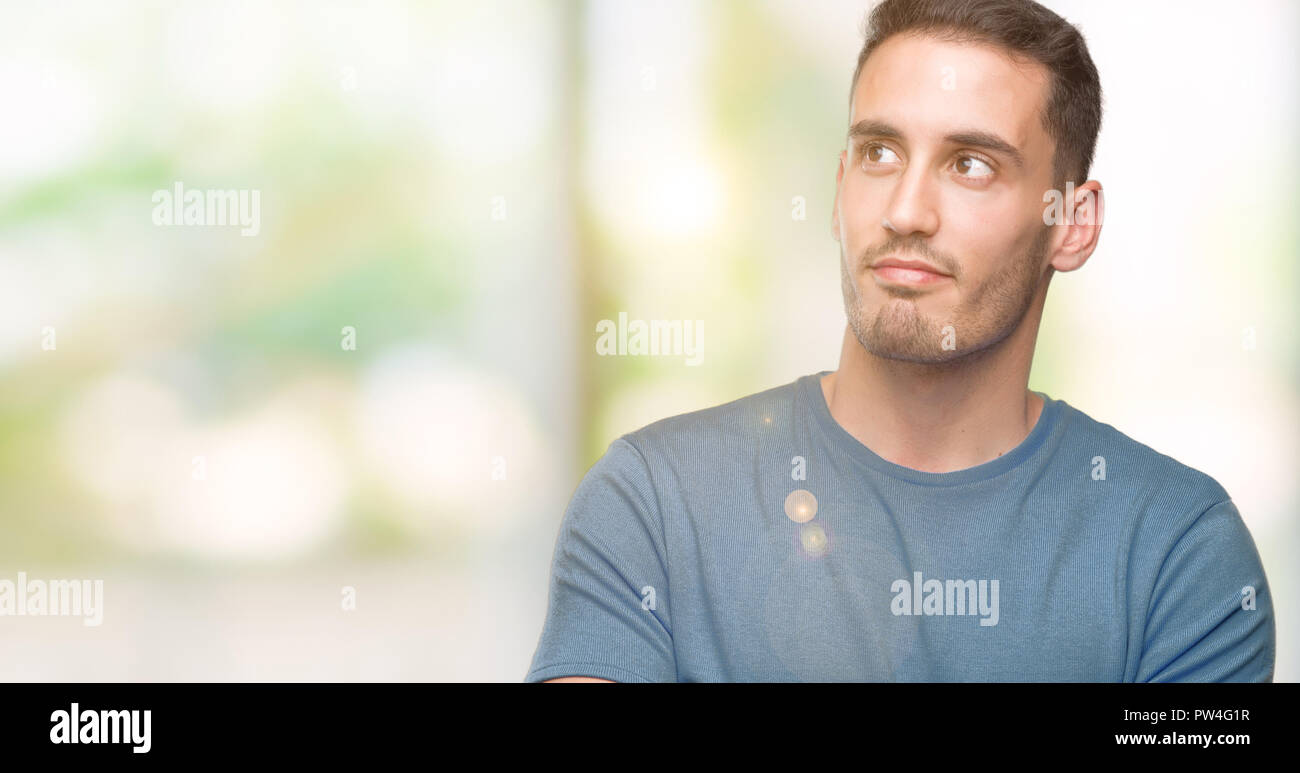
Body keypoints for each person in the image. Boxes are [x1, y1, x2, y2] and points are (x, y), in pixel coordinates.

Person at [525, 0, 1275, 682]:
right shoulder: (653, 504)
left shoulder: (1178, 554)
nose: (906, 209)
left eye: (971, 164)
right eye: (880, 153)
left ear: (1071, 222)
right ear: (839, 185)